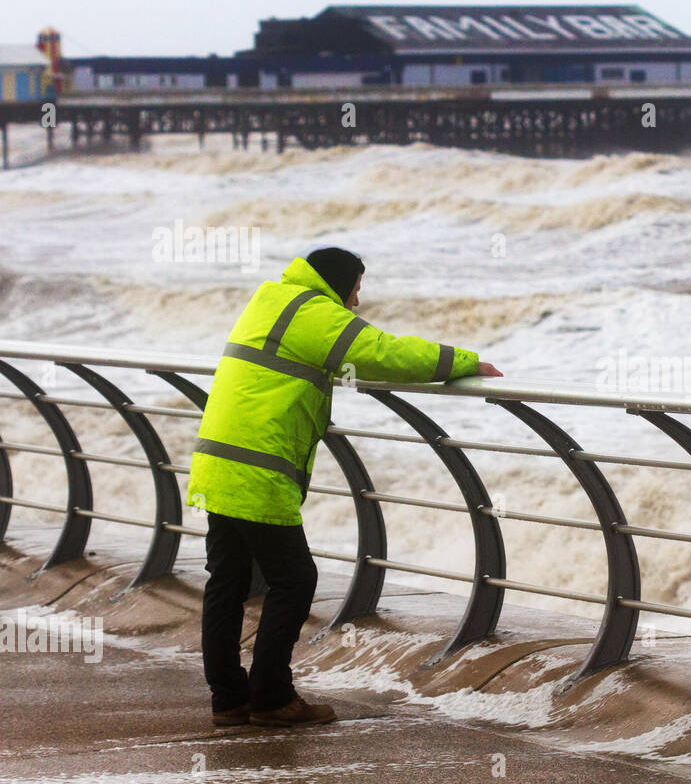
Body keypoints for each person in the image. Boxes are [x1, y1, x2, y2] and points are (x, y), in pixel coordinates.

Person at [187, 247, 502, 727]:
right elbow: (382, 353)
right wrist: (463, 361)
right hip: (258, 471)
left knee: (227, 580)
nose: (355, 302)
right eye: (355, 288)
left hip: (220, 463)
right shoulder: (312, 313)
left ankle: (228, 700)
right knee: (295, 579)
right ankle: (272, 697)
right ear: (337, 283)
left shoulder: (271, 299)